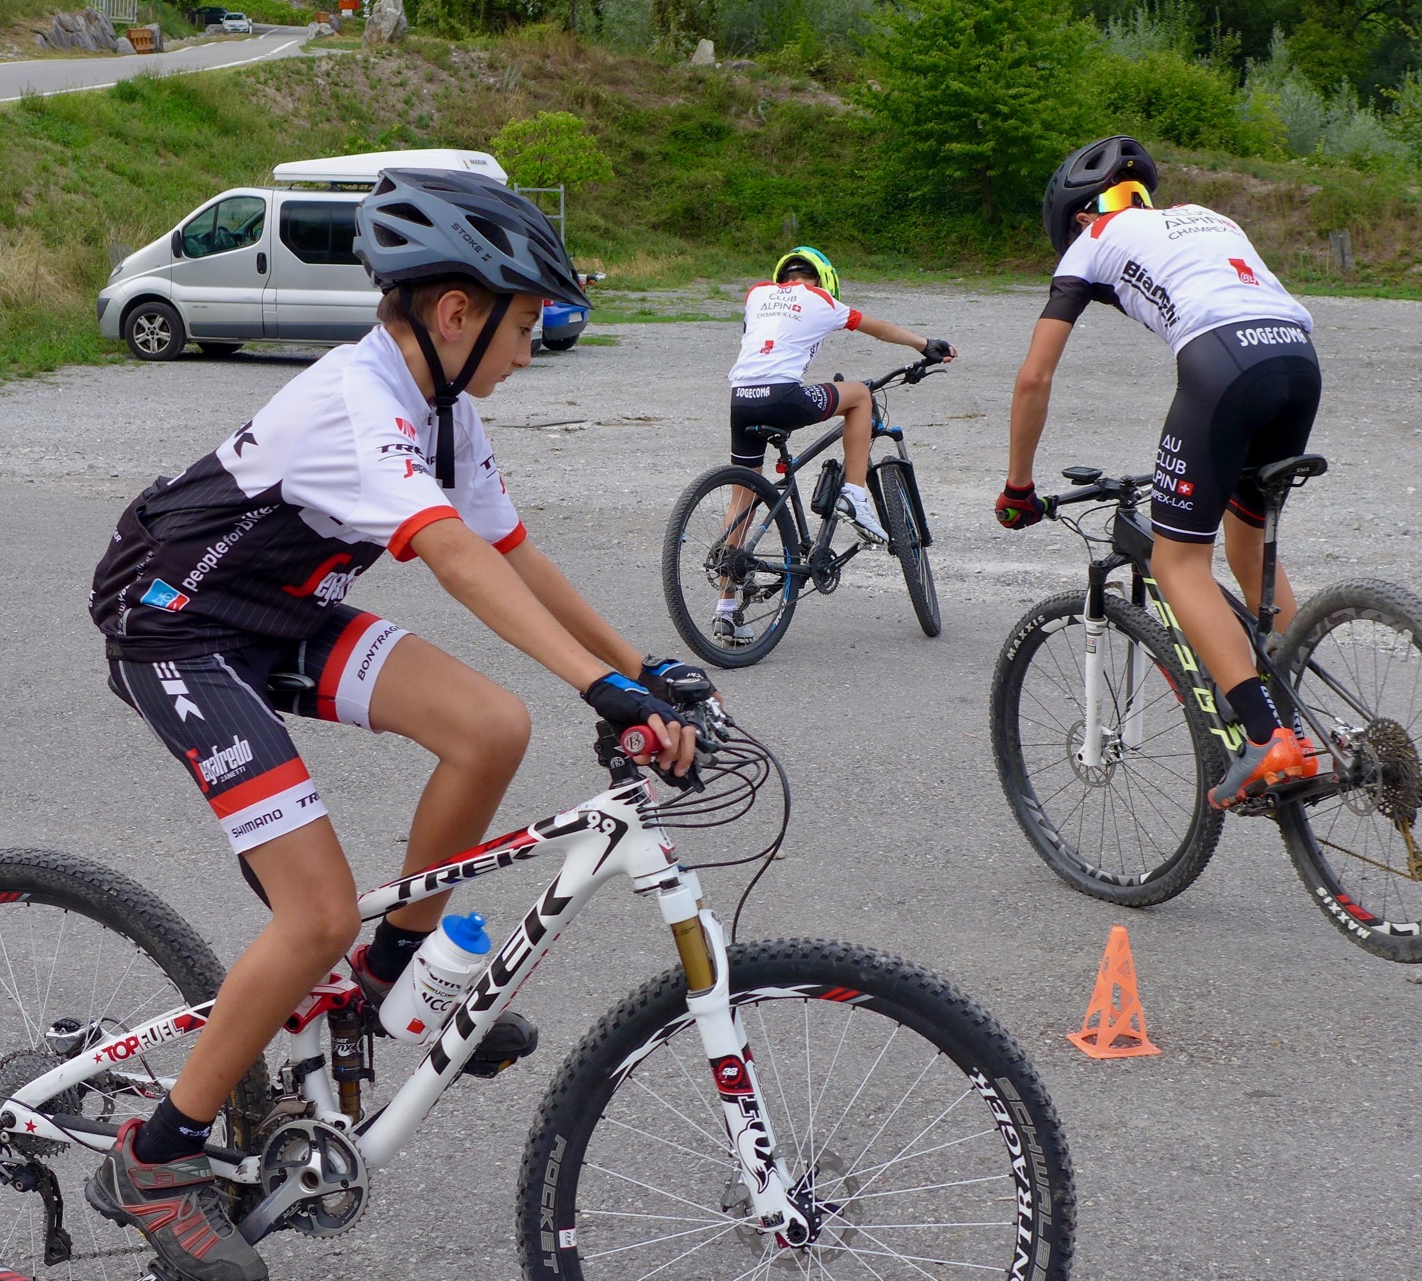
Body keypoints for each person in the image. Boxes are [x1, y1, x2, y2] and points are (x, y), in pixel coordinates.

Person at [82, 168, 708, 1281]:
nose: (534, 350)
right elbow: (452, 555)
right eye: (527, 325)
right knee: (311, 910)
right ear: (456, 314)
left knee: (489, 726)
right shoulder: (356, 398)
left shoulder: (447, 409)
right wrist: (598, 692)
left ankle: (389, 981)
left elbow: (512, 548)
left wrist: (640, 667)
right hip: (175, 624)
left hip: (278, 612)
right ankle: (158, 1155)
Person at [996, 136, 1320, 808]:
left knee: (1177, 562)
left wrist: (1019, 486)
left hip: (1224, 362)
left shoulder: (1094, 239)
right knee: (1246, 539)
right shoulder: (1208, 217)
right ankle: (1308, 716)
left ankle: (1269, 738)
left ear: (1081, 218)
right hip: (1297, 359)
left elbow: (1034, 377)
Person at [717, 246, 955, 645]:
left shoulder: (756, 293)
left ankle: (725, 611)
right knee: (860, 395)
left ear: (782, 275)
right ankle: (855, 496)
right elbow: (875, 327)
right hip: (783, 397)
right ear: (825, 279)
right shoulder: (821, 300)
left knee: (741, 501)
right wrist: (924, 343)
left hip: (741, 400)